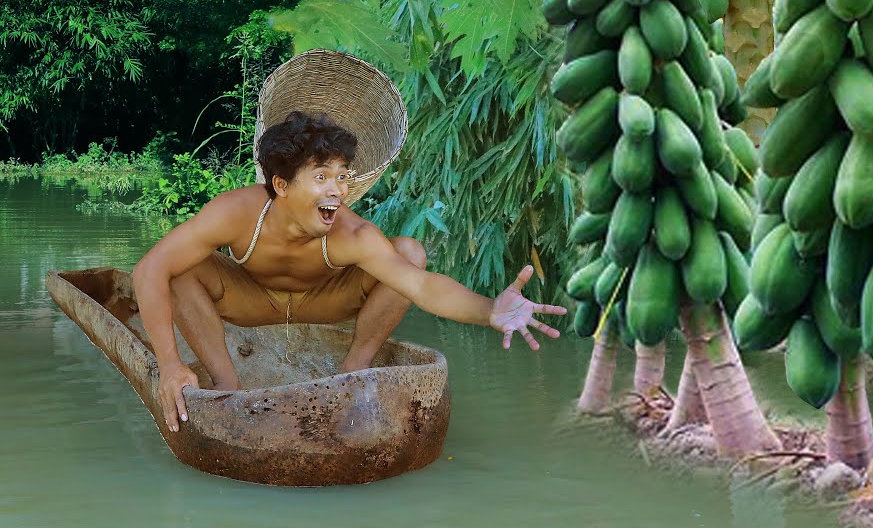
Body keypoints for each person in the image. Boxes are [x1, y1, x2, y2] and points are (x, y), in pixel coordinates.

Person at [132, 111, 567, 434]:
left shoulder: (350, 232)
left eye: (342, 176)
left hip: (324, 302)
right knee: (181, 269)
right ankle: (228, 387)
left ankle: (351, 371)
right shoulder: (235, 212)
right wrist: (169, 364)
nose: (338, 189)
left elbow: (420, 285)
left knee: (410, 252)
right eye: (322, 176)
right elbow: (149, 269)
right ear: (282, 185)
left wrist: (490, 310)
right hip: (250, 301)